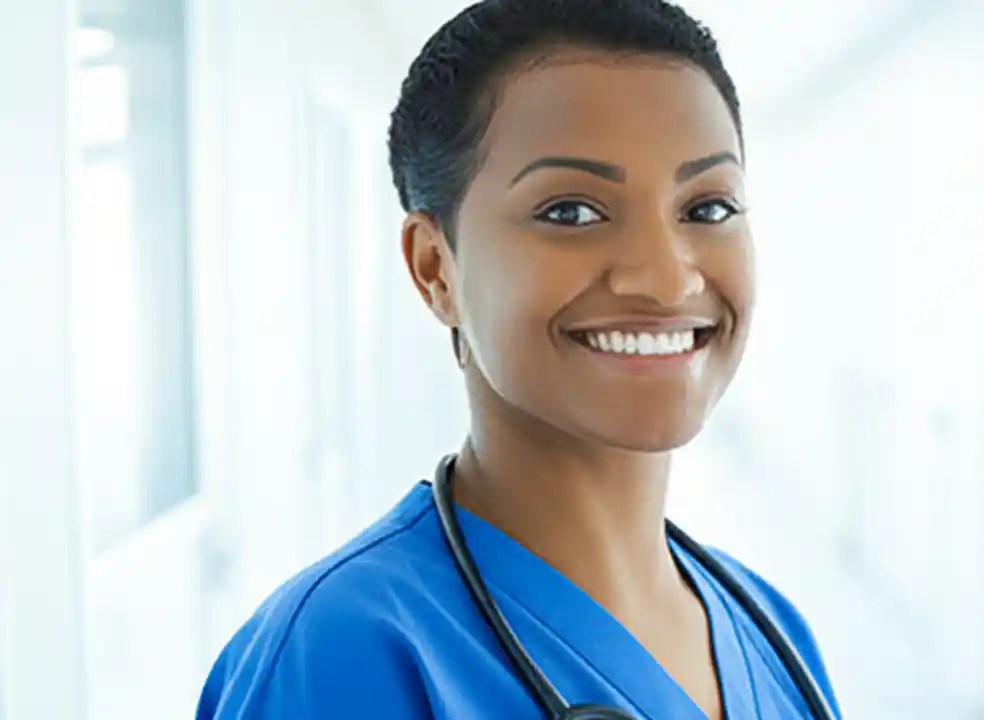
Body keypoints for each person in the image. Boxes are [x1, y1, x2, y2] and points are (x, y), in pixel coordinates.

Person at [196, 0, 842, 717]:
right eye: (570, 211)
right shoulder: (340, 656)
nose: (665, 279)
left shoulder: (773, 629)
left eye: (708, 209)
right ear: (435, 268)